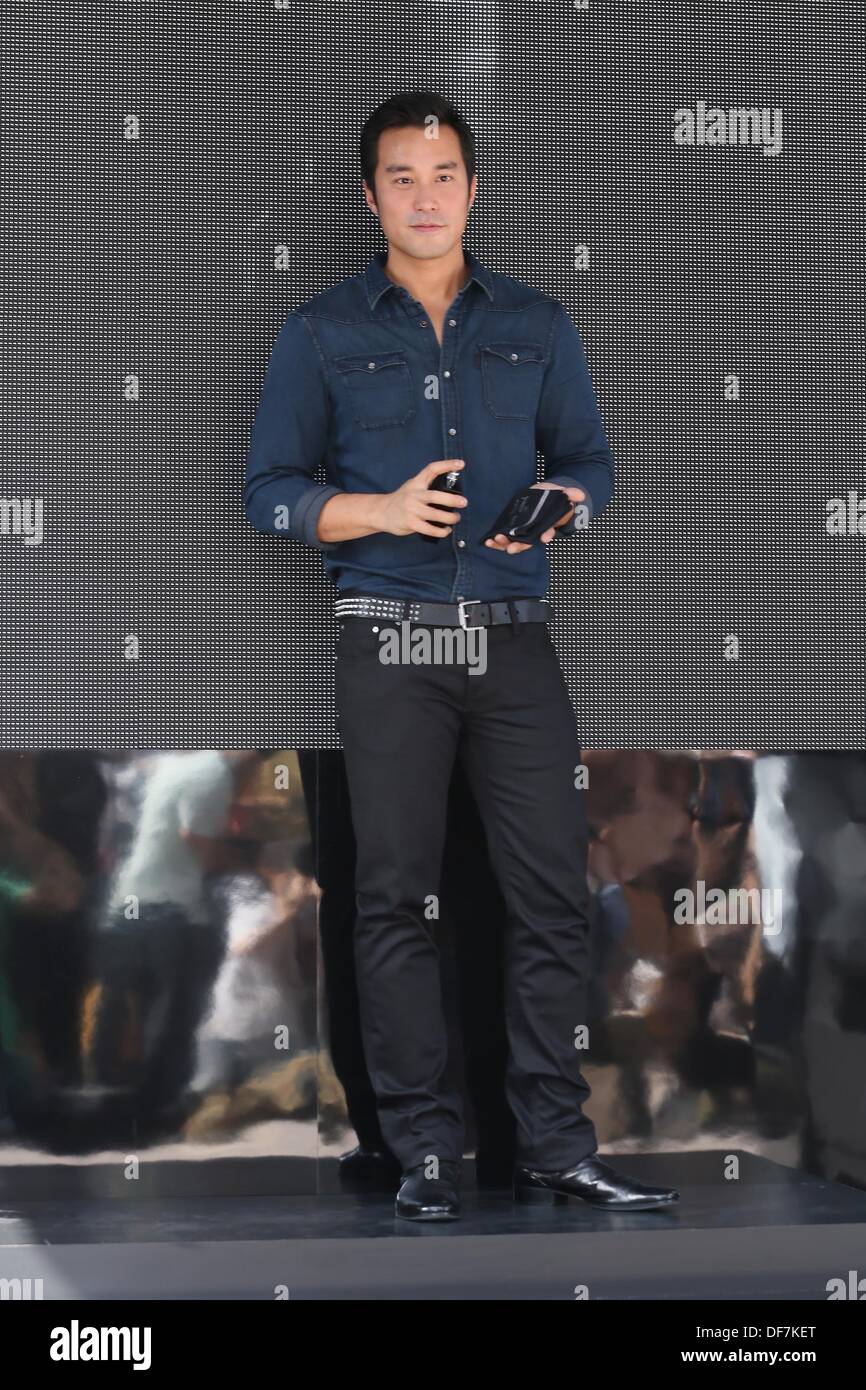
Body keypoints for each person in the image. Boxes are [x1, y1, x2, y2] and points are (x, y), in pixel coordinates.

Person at [245, 91, 679, 1220]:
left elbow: (590, 459)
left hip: (513, 644)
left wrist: (564, 502)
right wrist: (381, 507)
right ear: (369, 194)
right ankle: (422, 1151)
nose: (424, 195)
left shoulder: (538, 321)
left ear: (471, 189)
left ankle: (552, 1146)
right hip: (387, 642)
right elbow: (270, 494)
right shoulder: (322, 331)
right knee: (392, 900)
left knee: (547, 900)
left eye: (443, 174)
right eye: (401, 176)